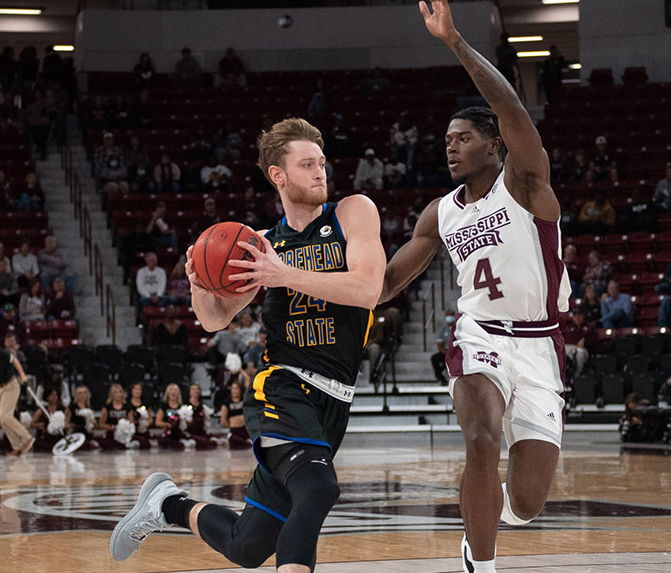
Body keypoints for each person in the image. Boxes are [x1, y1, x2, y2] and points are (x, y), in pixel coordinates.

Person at [111, 115, 385, 572]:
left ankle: (167, 506)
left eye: (322, 162)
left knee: (248, 545)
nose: (321, 172)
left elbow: (366, 289)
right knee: (318, 489)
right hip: (283, 387)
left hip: (334, 400)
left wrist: (283, 275)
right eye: (307, 164)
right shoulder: (258, 246)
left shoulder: (352, 212)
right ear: (278, 175)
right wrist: (200, 280)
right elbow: (214, 319)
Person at [376, 0, 572, 573]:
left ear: (495, 144)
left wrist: (455, 40)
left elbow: (513, 106)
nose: (451, 148)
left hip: (541, 342)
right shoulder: (440, 211)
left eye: (463, 138)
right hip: (479, 334)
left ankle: (483, 526)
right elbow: (386, 283)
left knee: (529, 504)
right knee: (482, 440)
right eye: (446, 141)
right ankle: (480, 565)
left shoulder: (526, 185)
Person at [0, 329, 32, 455]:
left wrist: (22, 374)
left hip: (11, 385)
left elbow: (13, 360)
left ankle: (27, 438)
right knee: (2, 420)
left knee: (6, 416)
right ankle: (17, 447)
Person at [221, 380, 251, 449]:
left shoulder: (245, 400)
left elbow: (247, 380)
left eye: (236, 388)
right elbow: (223, 421)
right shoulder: (226, 403)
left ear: (240, 389)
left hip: (245, 430)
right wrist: (232, 425)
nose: (234, 391)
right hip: (234, 431)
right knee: (237, 441)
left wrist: (240, 369)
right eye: (232, 388)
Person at [431, 310, 454, 385]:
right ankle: (441, 378)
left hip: (456, 352)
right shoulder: (443, 329)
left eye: (450, 315)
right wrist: (445, 352)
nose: (449, 318)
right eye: (447, 316)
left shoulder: (458, 328)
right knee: (435, 358)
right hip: (446, 351)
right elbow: (440, 344)